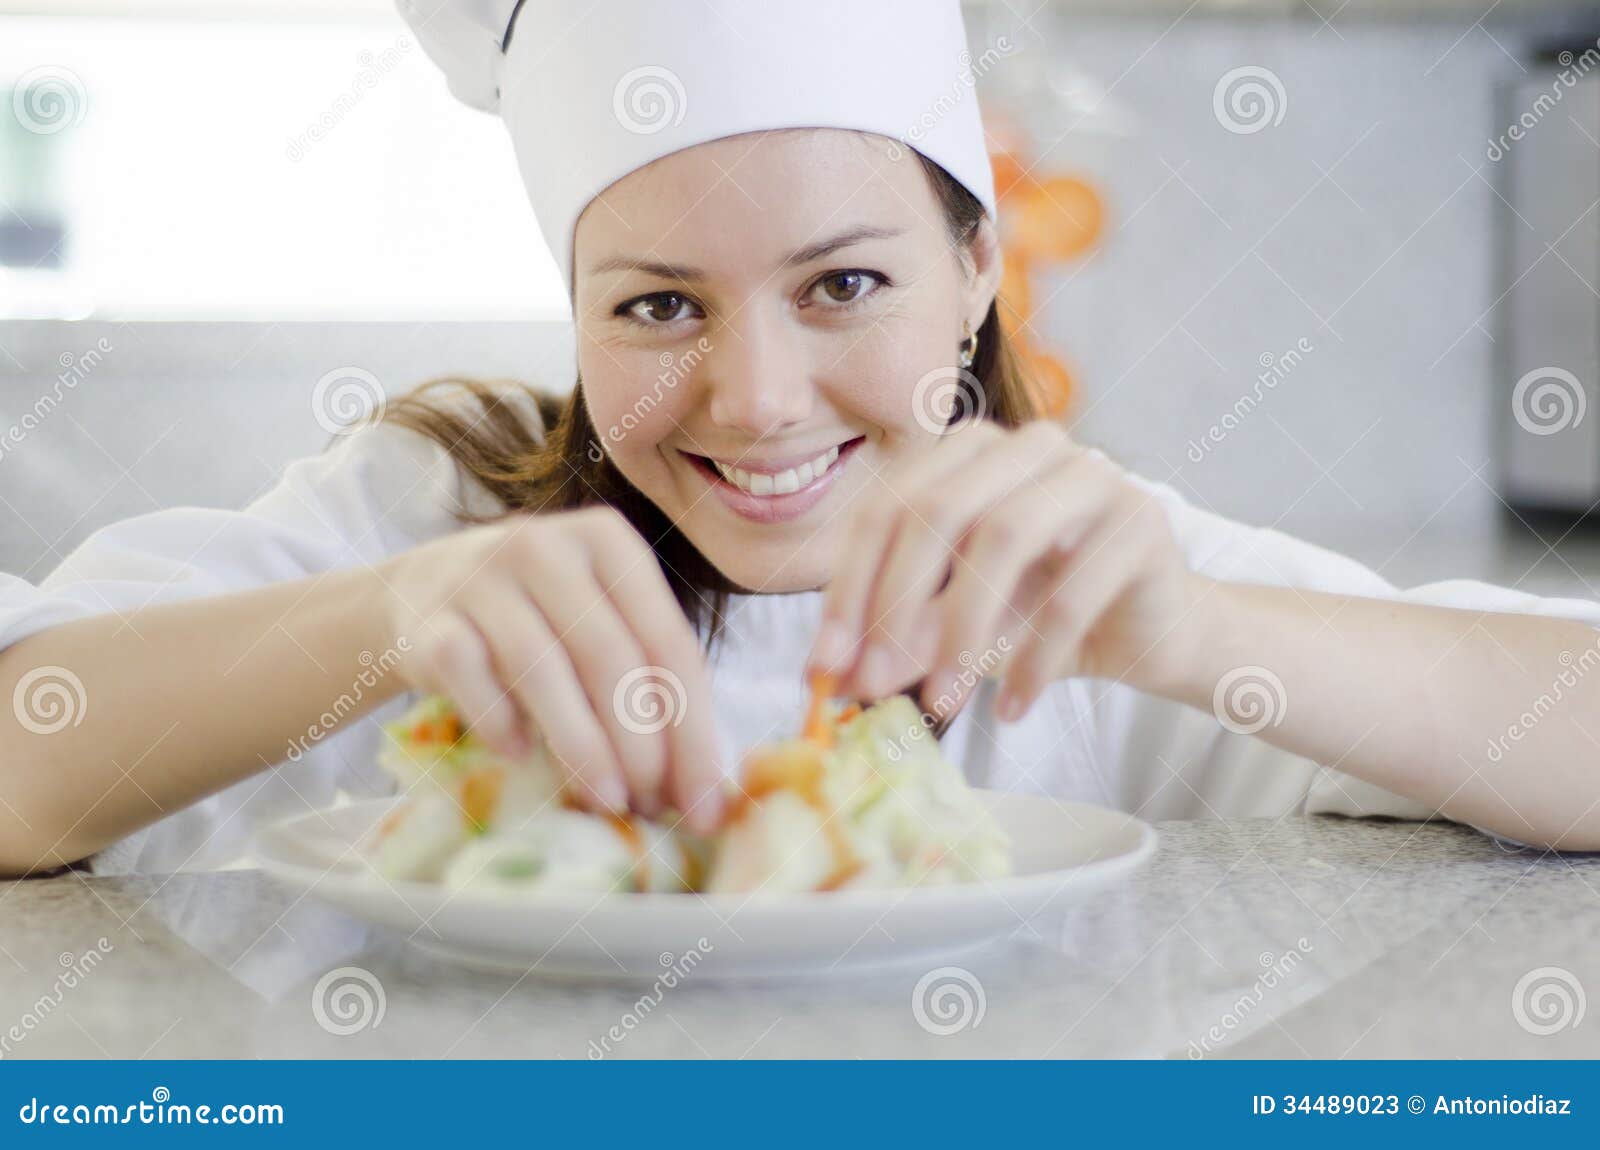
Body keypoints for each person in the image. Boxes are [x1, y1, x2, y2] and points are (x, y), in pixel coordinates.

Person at [2, 0, 1597, 878]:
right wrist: (373, 621)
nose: (756, 396)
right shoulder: (431, 514)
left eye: (843, 283)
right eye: (656, 306)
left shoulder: (1078, 577)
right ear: (570, 307)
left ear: (979, 271)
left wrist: (1207, 632)